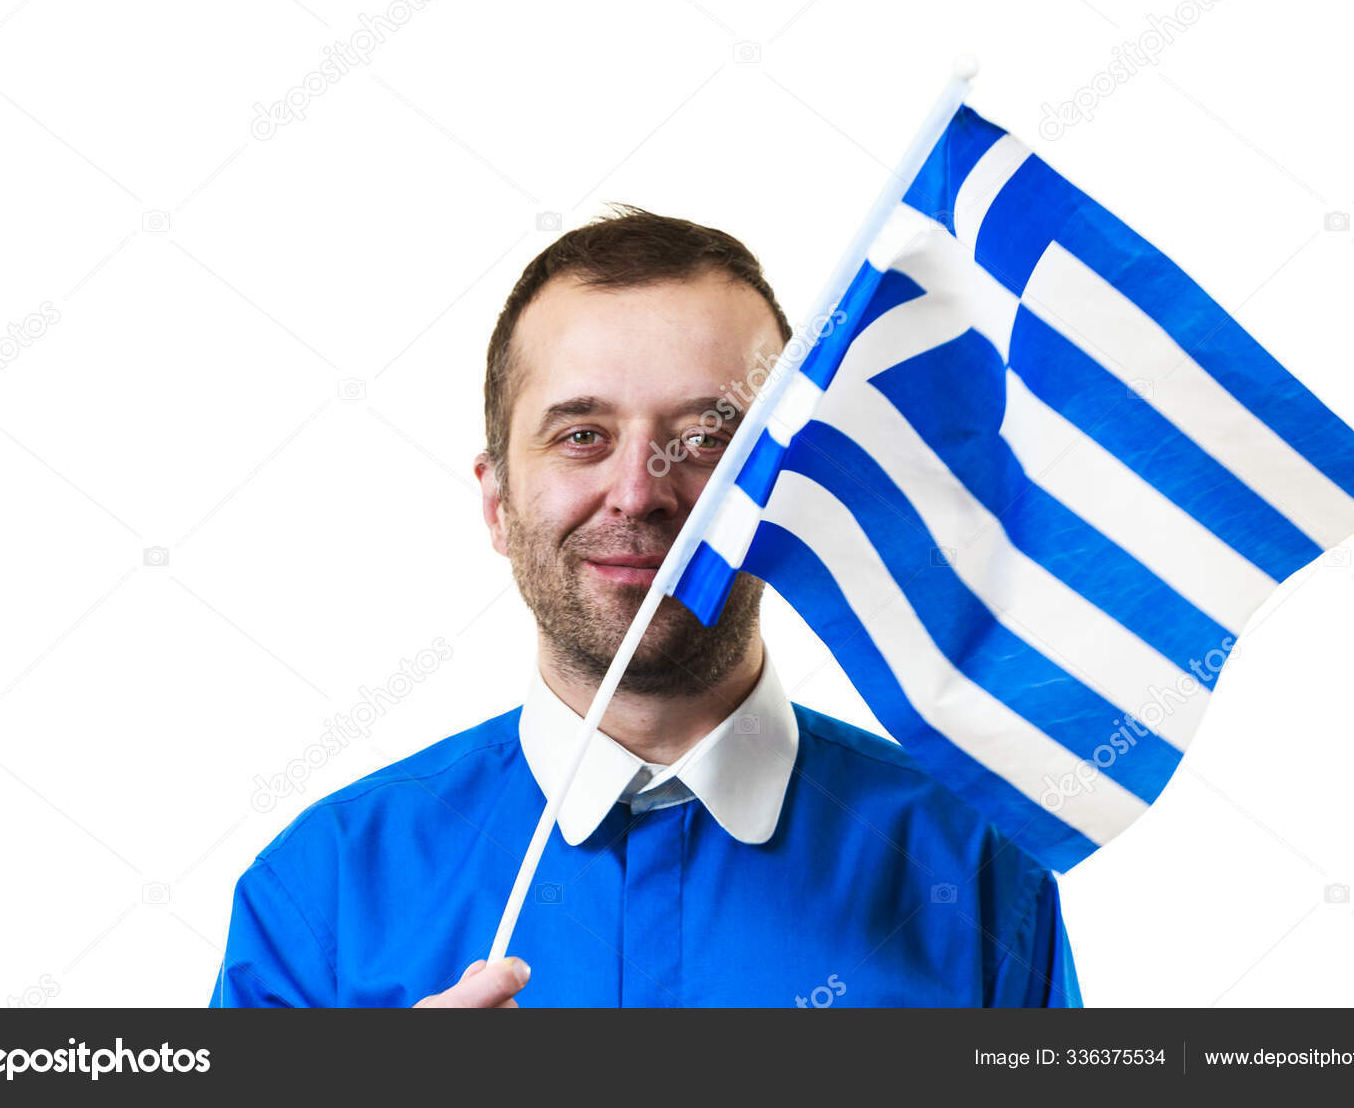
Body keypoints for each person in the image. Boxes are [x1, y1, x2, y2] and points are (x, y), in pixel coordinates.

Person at [209, 206, 1082, 1008]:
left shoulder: (978, 877)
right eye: (582, 435)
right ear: (496, 503)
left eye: (708, 437)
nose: (641, 493)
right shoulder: (320, 897)